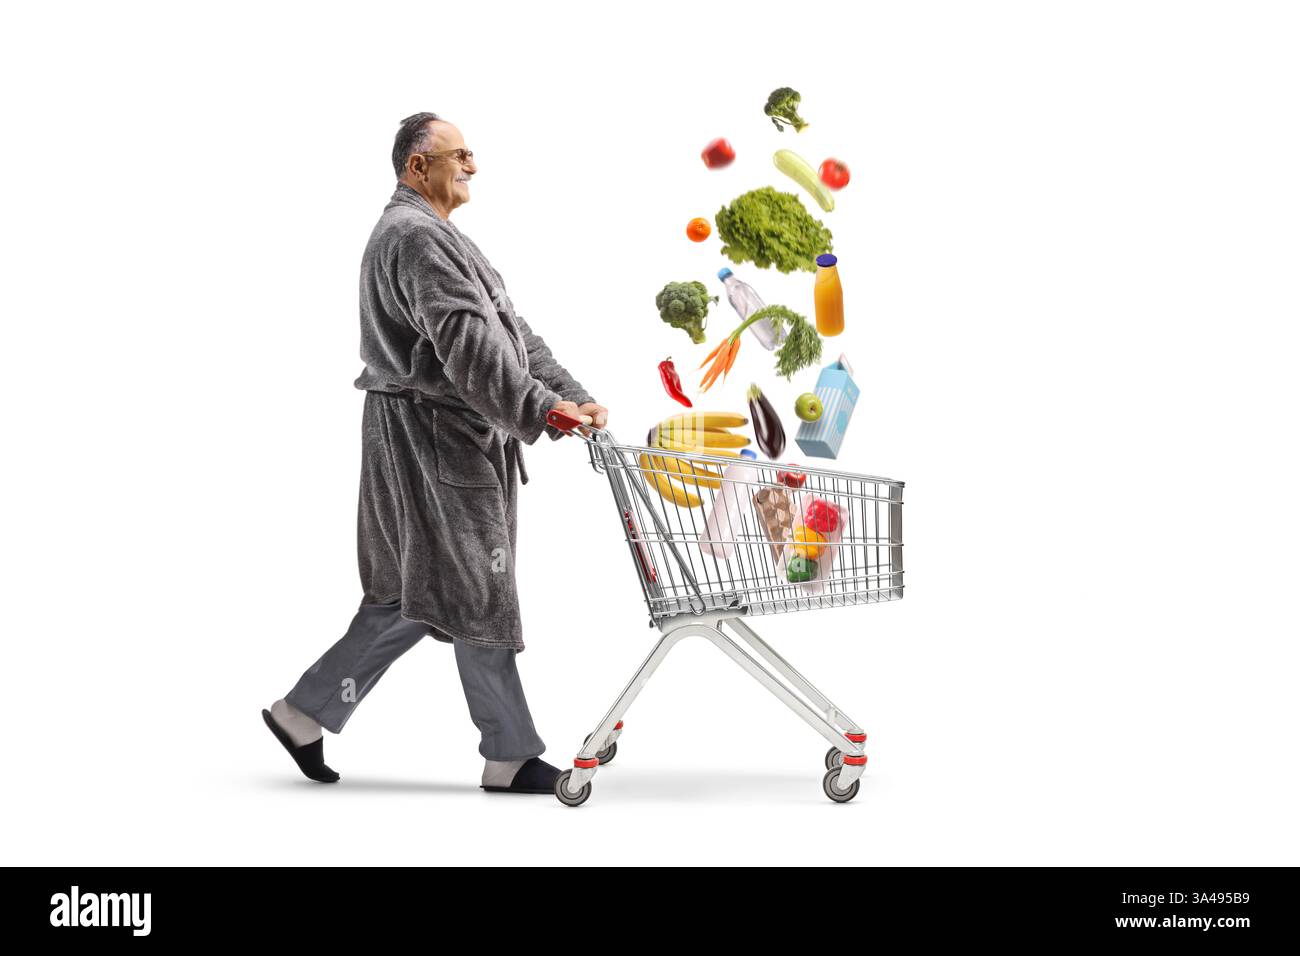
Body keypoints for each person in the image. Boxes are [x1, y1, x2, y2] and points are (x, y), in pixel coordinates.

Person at [262, 112, 607, 794]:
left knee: (416, 593)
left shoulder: (442, 237)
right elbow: (472, 353)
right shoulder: (415, 238)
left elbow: (513, 333)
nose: (473, 165)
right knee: (478, 584)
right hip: (437, 440)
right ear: (417, 167)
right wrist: (540, 408)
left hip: (432, 435)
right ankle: (508, 753)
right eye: (460, 155)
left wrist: (571, 392)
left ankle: (302, 712)